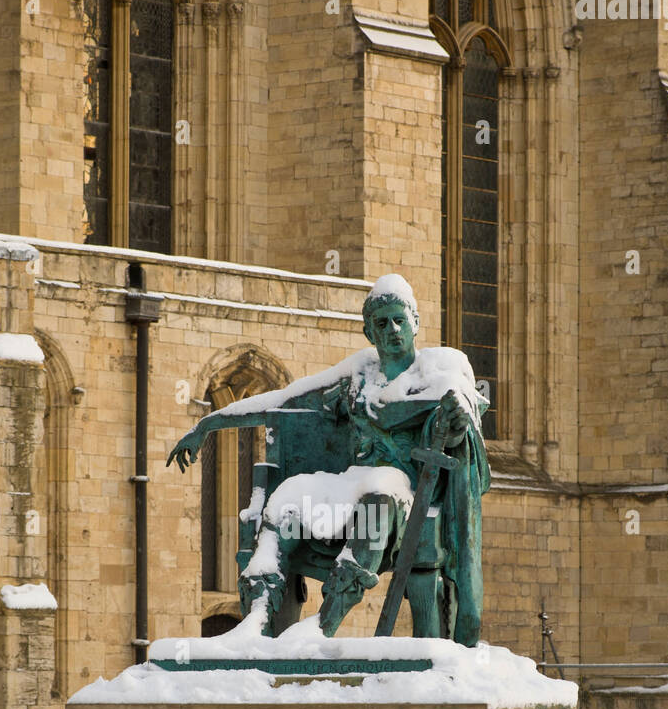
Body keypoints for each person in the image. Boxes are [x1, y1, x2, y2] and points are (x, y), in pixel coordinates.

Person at [167, 274, 491, 644]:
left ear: (415, 323)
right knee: (285, 502)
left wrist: (455, 417)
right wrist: (208, 424)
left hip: (403, 492)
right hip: (351, 482)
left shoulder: (439, 373)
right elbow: (283, 401)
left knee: (377, 504)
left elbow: (463, 410)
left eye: (399, 320)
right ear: (369, 332)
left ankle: (325, 623)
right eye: (381, 323)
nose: (392, 329)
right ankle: (257, 621)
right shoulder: (357, 378)